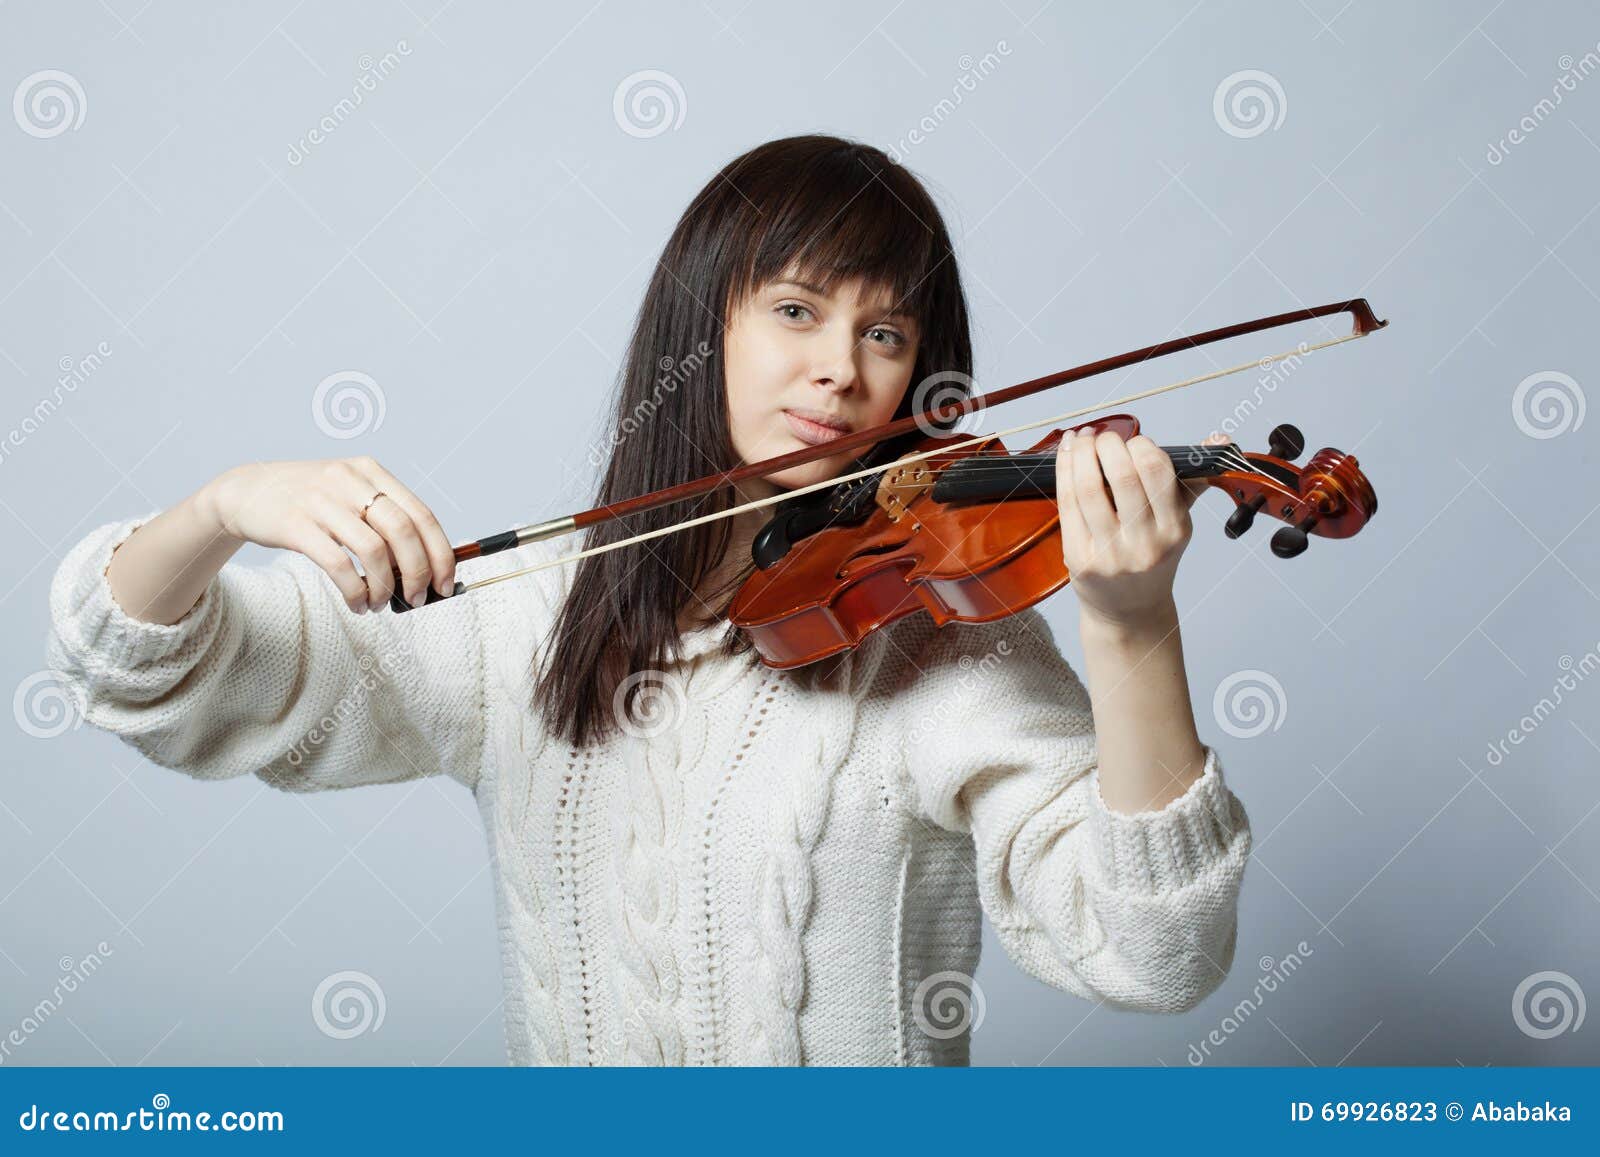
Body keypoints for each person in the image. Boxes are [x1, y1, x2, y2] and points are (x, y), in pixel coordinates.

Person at [45, 134, 1251, 1066]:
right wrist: (220, 508)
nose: (840, 365)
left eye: (886, 330)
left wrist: (1133, 623)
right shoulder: (527, 622)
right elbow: (150, 676)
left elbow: (1155, 956)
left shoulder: (935, 636)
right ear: (700, 325)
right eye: (795, 309)